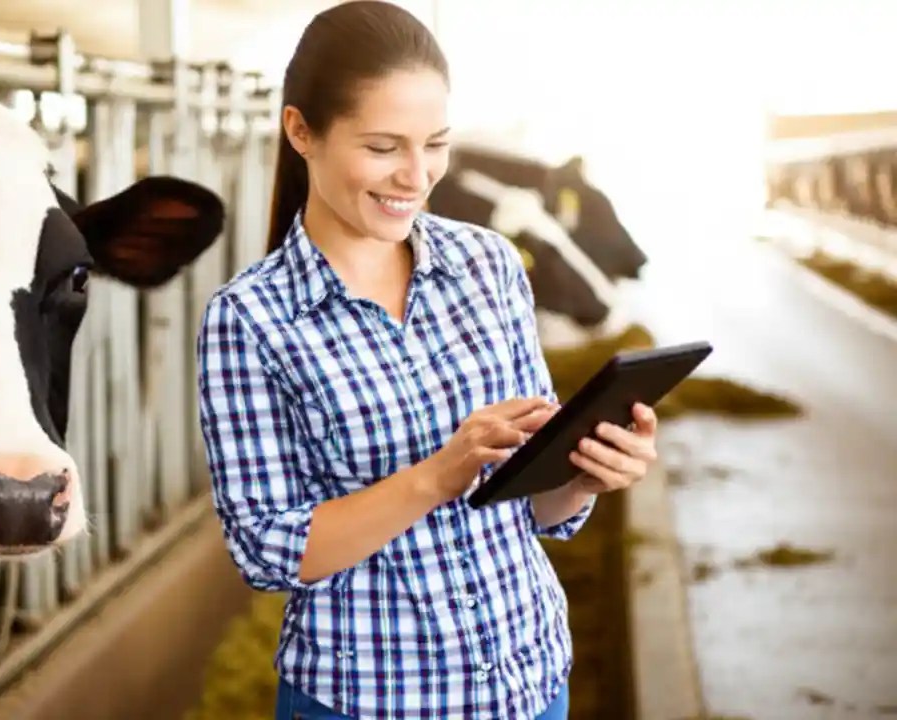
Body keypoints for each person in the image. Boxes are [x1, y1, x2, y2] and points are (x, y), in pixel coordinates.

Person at [194, 2, 659, 718]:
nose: (417, 176)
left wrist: (587, 473)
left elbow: (533, 504)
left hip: (528, 682)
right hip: (366, 701)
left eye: (435, 143)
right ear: (301, 132)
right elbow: (268, 551)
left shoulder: (490, 266)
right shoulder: (248, 318)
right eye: (384, 147)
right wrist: (441, 474)